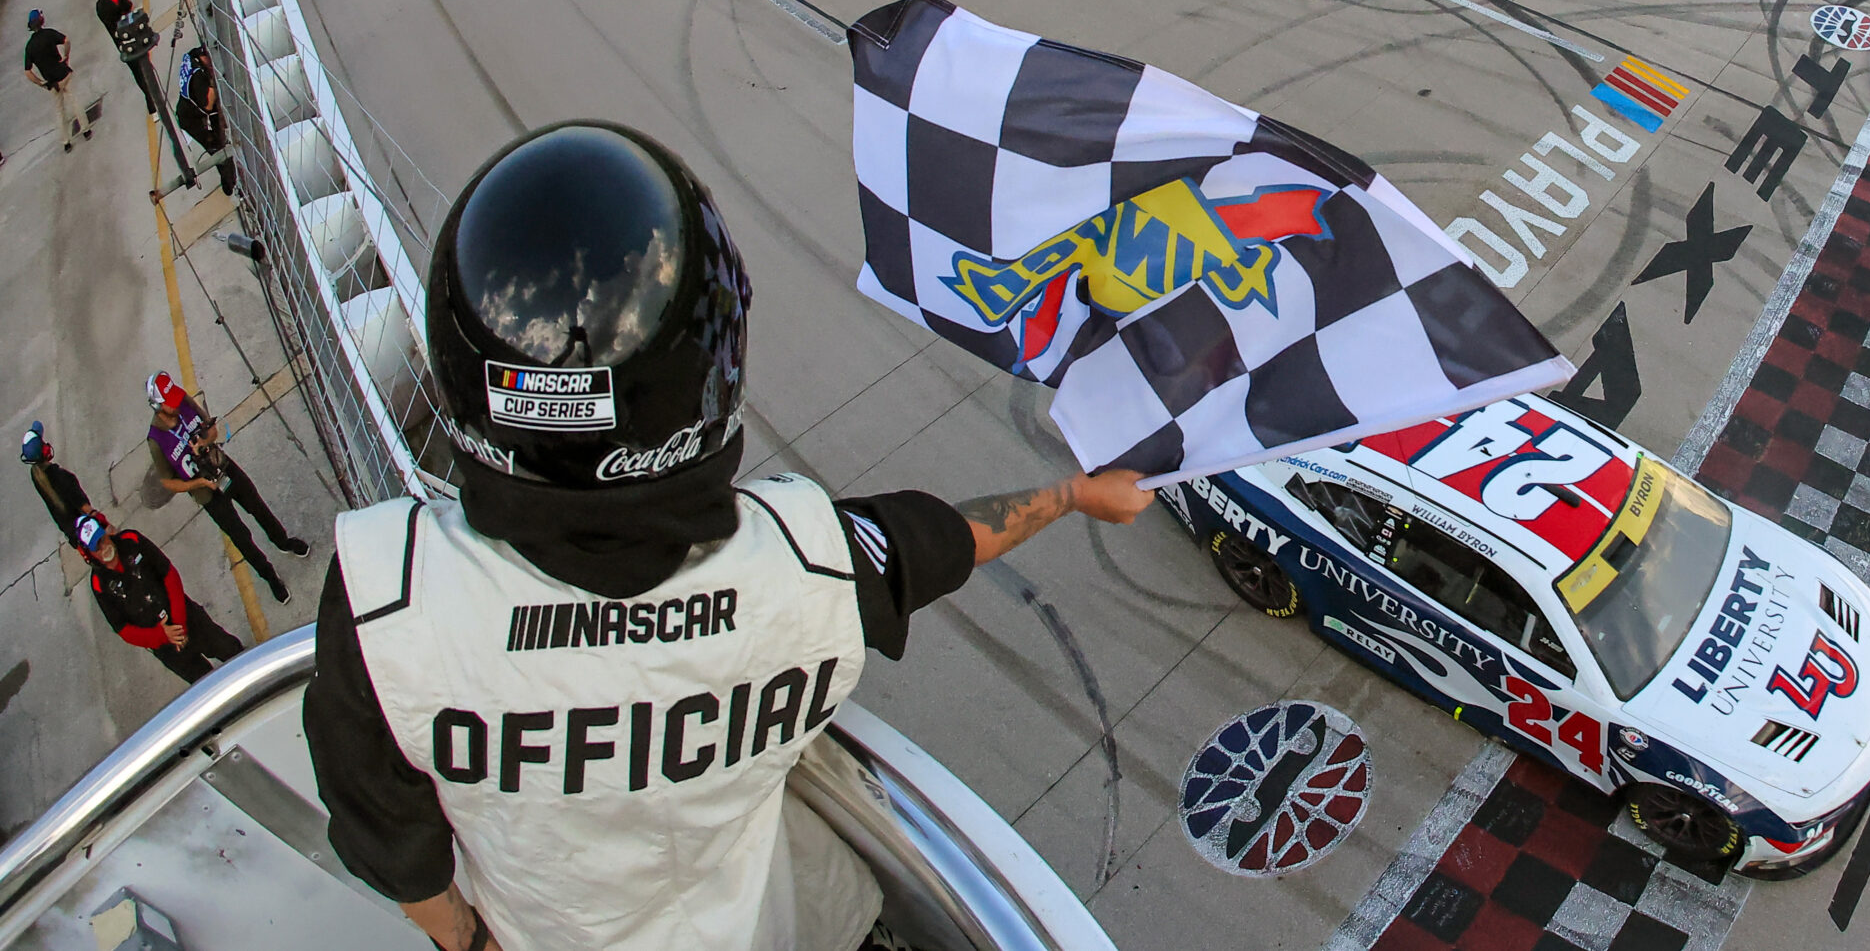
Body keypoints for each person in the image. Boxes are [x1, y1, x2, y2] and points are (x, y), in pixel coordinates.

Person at [306, 121, 1152, 951]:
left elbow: (397, 853)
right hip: (778, 924)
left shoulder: (387, 605)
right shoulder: (810, 567)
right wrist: (1072, 494)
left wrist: (467, 942)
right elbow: (949, 539)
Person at [147, 370, 307, 605]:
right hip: (207, 492)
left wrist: (204, 442)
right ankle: (269, 576)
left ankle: (283, 541)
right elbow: (168, 482)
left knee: (257, 506)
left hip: (223, 467)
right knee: (240, 536)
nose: (176, 404)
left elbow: (212, 429)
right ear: (157, 406)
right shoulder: (156, 440)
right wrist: (199, 483)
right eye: (169, 403)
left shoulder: (184, 402)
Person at [77, 512, 244, 684]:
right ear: (90, 554)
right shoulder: (99, 585)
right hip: (166, 647)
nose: (104, 547)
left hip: (188, 618)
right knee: (206, 683)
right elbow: (123, 629)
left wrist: (179, 624)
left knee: (230, 650)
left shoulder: (132, 540)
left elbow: (168, 573)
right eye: (97, 547)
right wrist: (162, 635)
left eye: (102, 539)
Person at [23, 420, 105, 548]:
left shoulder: (36, 475)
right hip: (90, 533)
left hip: (75, 537)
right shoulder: (64, 478)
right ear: (45, 450)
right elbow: (85, 508)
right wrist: (106, 525)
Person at [174, 46, 236, 195]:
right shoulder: (198, 78)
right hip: (192, 119)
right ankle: (229, 184)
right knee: (217, 148)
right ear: (203, 58)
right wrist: (215, 84)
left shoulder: (193, 58)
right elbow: (207, 104)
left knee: (219, 134)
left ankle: (231, 175)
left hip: (196, 108)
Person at [23, 8, 88, 150]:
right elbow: (66, 41)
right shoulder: (49, 34)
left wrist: (41, 83)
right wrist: (66, 56)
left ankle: (66, 142)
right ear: (41, 21)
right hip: (64, 74)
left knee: (60, 111)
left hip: (52, 83)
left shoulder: (30, 47)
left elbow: (27, 72)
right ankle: (86, 130)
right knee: (74, 101)